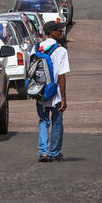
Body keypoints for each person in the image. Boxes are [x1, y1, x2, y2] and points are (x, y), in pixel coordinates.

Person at [34, 22, 69, 162]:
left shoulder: (36, 48)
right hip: (55, 94)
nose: (61, 31)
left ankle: (43, 152)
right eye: (59, 30)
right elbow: (61, 75)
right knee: (57, 122)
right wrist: (64, 98)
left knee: (43, 121)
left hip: (40, 92)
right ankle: (54, 152)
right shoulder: (61, 50)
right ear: (52, 33)